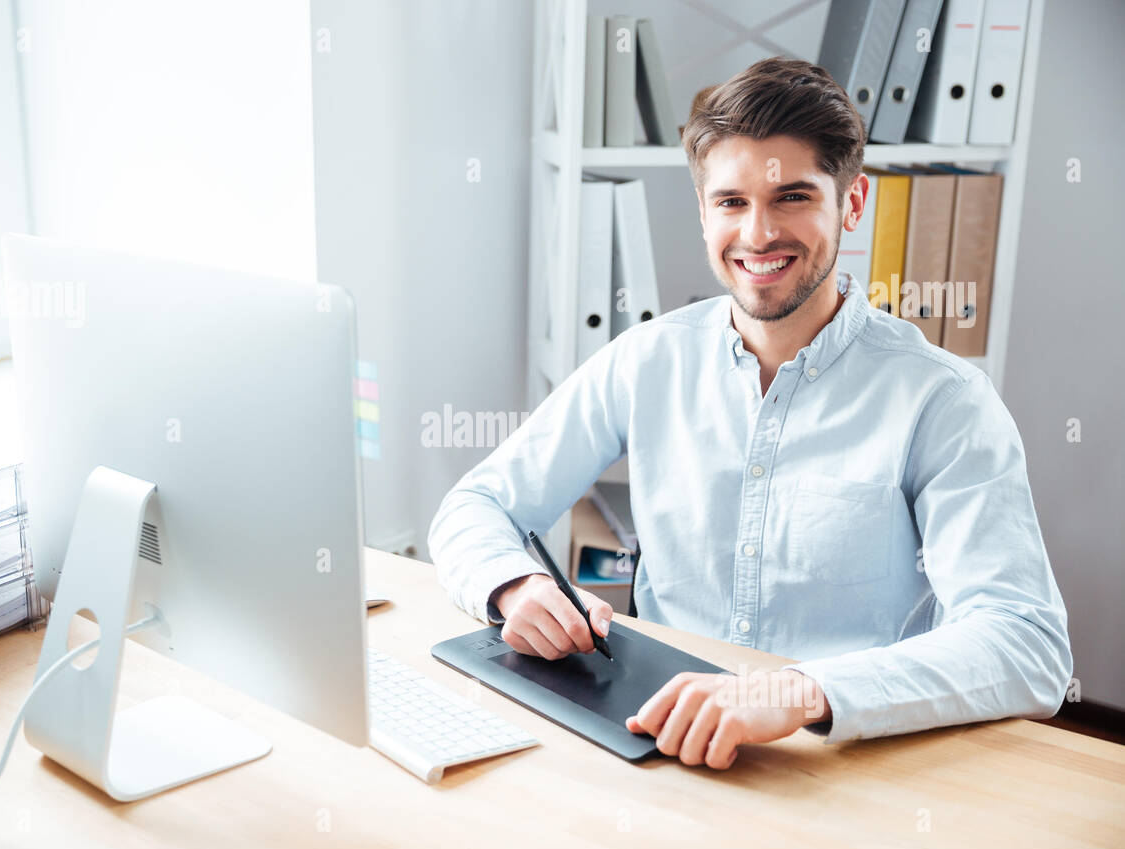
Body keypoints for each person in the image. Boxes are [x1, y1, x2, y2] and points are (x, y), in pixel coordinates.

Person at [427, 56, 1072, 770]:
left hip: (841, 763)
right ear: (704, 213)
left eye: (792, 197)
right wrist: (513, 585)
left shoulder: (943, 400)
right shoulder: (648, 359)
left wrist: (802, 691)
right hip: (659, 738)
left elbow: (1027, 643)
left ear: (850, 205)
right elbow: (475, 505)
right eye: (731, 202)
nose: (759, 235)